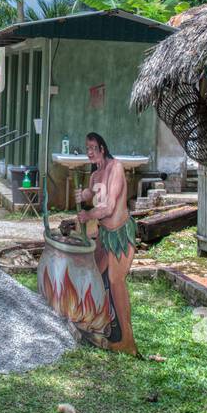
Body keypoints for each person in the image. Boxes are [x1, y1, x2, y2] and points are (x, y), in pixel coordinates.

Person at [61, 132, 139, 356]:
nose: (89, 151)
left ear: (103, 148)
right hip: (105, 236)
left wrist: (88, 215)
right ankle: (97, 323)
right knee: (92, 275)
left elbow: (108, 207)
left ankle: (127, 341)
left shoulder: (116, 167)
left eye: (93, 147)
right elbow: (93, 195)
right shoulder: (95, 176)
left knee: (116, 282)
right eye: (87, 148)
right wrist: (83, 195)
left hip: (120, 235)